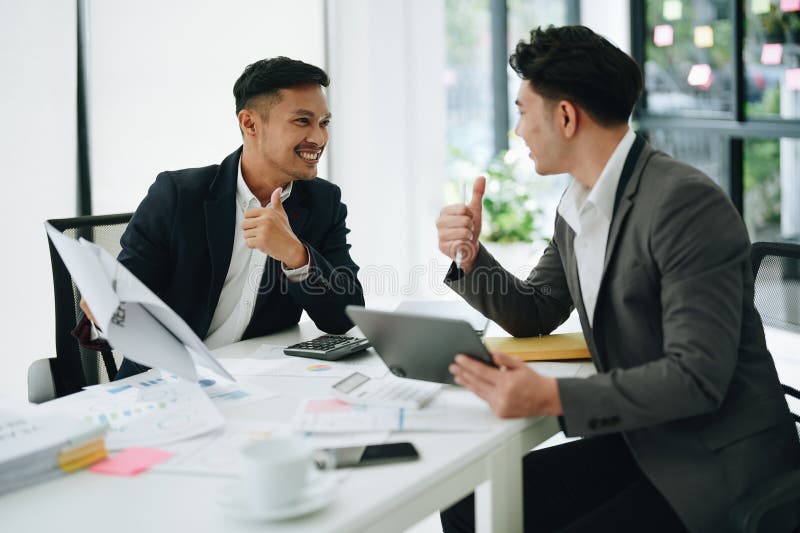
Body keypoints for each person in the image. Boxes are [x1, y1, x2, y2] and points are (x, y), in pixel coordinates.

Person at [436, 25, 799, 532]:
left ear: (565, 116)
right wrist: (473, 258)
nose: (517, 130)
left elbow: (698, 378)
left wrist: (551, 397)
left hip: (719, 459)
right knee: (468, 504)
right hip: (647, 440)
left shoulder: (684, 204)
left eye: (522, 111)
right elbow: (537, 308)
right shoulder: (579, 204)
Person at [78, 57, 364, 379]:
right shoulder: (177, 195)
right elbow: (122, 299)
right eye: (302, 121)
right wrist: (106, 313)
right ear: (250, 124)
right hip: (168, 383)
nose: (320, 138)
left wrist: (296, 256)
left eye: (324, 123)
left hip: (259, 381)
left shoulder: (323, 202)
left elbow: (344, 317)